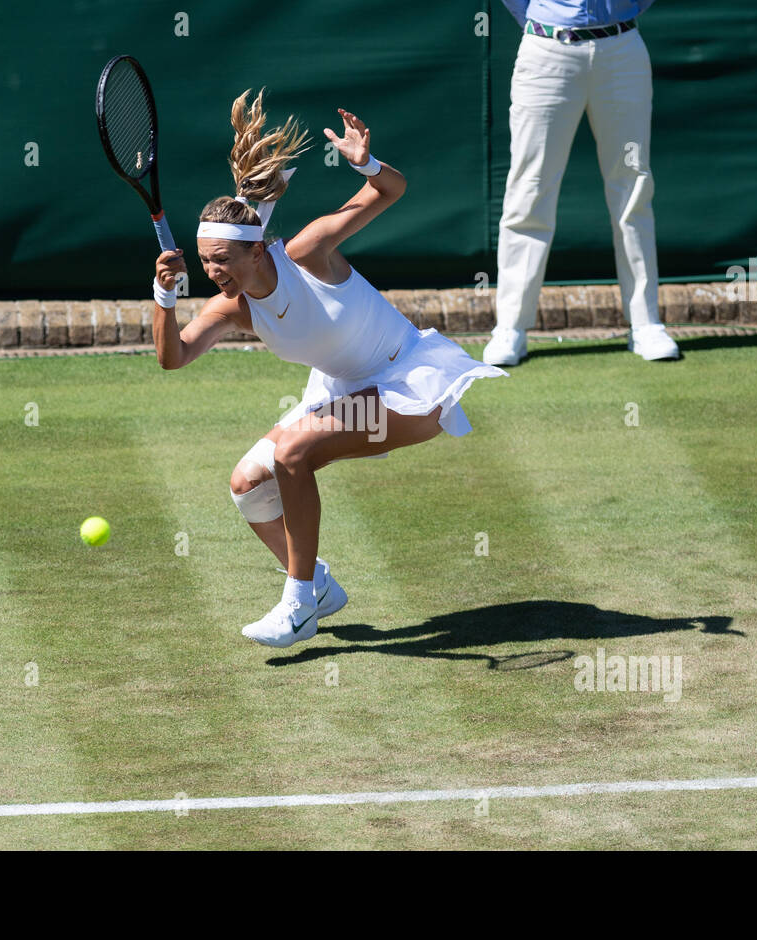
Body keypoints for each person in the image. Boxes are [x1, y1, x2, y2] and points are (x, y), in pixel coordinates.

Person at [153, 90, 507, 648]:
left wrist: (365, 162)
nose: (212, 271)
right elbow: (173, 358)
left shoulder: (308, 251)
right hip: (345, 390)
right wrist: (164, 298)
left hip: (408, 387)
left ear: (257, 252)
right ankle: (318, 587)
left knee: (294, 453)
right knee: (247, 485)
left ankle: (296, 605)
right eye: (204, 262)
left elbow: (391, 190)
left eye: (222, 260)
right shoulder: (231, 308)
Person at [485, 0, 679, 366]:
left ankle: (645, 324)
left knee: (633, 185)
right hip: (545, 53)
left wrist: (621, 16)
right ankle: (510, 328)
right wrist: (545, 28)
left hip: (621, 51)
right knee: (529, 189)